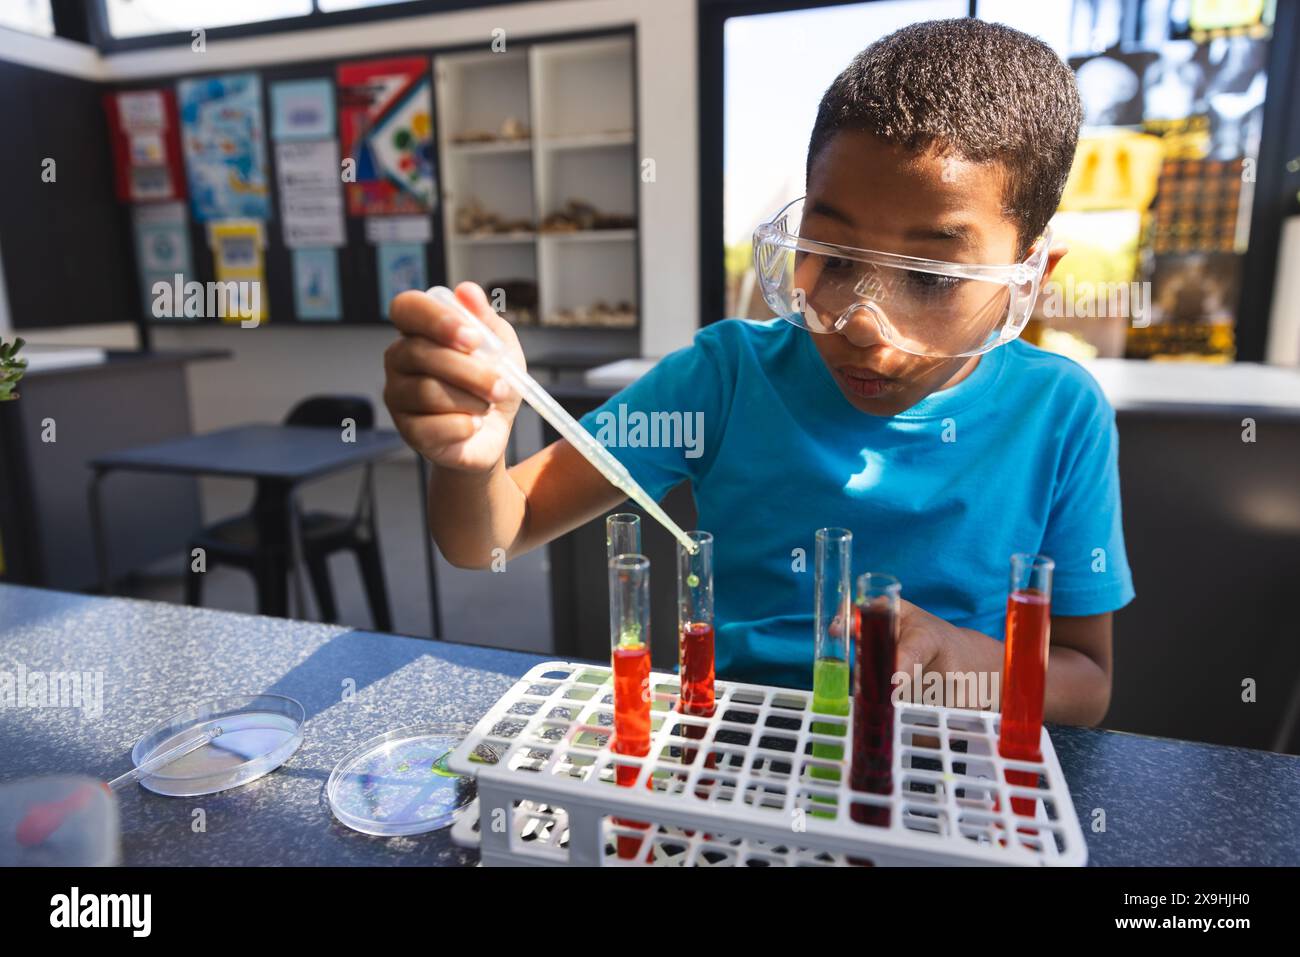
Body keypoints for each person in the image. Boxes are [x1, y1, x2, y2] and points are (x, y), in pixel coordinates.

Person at [382, 19, 1133, 724]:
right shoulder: (725, 379)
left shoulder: (1059, 413)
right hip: (736, 764)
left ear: (1031, 274)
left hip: (941, 781)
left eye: (931, 278)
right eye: (832, 260)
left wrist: (969, 663)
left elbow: (1086, 682)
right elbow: (490, 535)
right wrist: (472, 463)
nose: (861, 322)